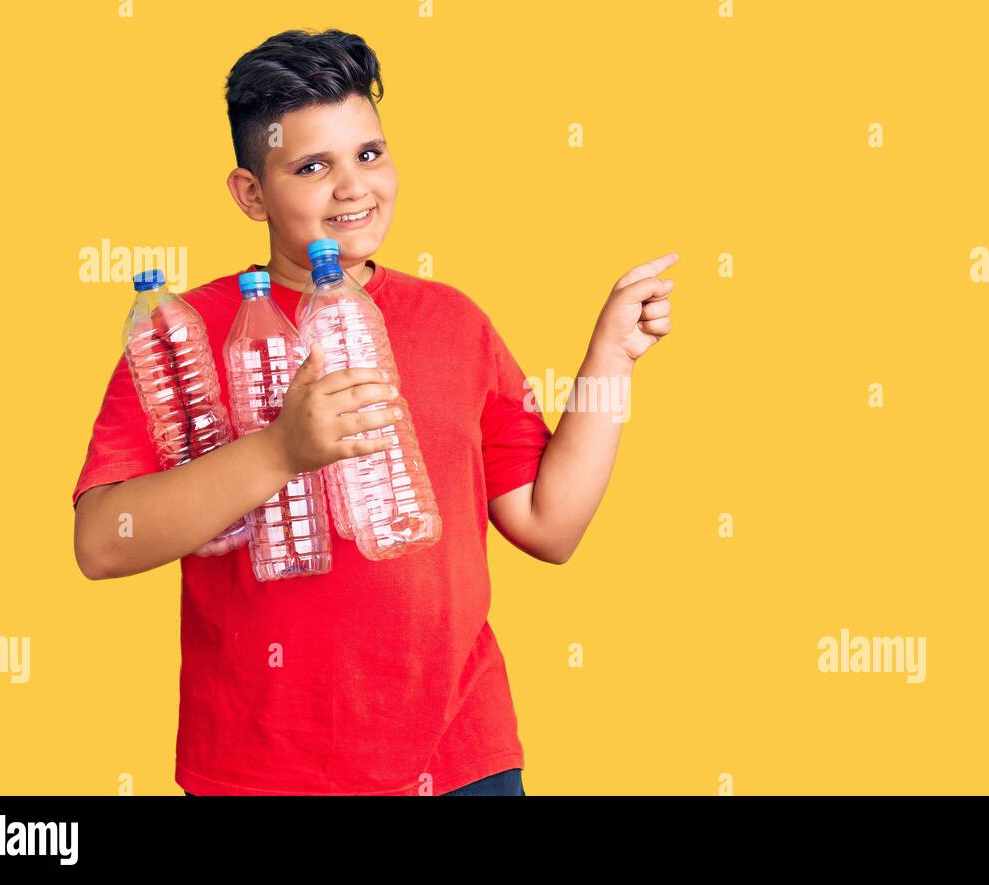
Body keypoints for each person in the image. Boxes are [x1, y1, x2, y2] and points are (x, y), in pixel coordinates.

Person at [72, 28, 676, 796]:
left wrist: (610, 361)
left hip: (459, 758)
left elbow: (549, 524)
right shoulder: (179, 331)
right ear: (250, 192)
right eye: (312, 166)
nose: (353, 187)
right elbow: (100, 542)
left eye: (369, 154)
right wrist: (277, 452)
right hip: (261, 769)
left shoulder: (453, 322)